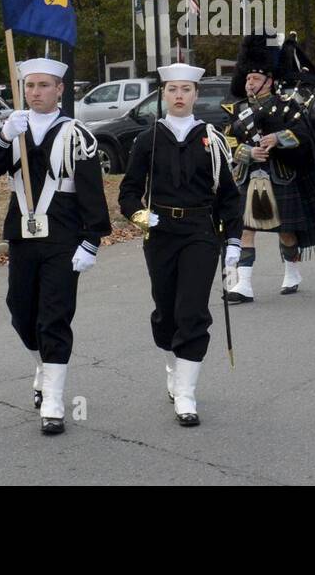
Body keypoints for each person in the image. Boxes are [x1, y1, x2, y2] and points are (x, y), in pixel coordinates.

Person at [0, 57, 111, 435]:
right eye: (30, 86)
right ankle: (42, 364)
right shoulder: (14, 129)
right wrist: (2, 138)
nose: (36, 92)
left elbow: (92, 194)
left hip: (63, 238)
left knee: (54, 315)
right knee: (20, 311)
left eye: (44, 85)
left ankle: (53, 399)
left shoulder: (76, 134)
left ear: (60, 90)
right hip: (23, 235)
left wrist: (91, 240)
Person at [118, 63, 242, 426]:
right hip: (159, 233)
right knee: (166, 310)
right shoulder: (147, 140)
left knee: (192, 310)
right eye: (172, 90)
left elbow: (229, 197)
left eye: (186, 90)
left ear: (196, 95)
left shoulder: (213, 139)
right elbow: (128, 193)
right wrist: (141, 217)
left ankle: (186, 394)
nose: (178, 96)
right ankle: (173, 364)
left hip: (200, 232)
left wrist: (234, 242)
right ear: (163, 95)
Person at [222, 33, 315, 303]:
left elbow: (303, 136)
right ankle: (244, 285)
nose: (248, 82)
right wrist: (248, 151)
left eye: (254, 78)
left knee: (285, 231)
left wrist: (277, 139)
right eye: (247, 78)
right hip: (248, 176)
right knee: (244, 230)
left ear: (269, 80)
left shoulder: (288, 107)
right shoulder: (236, 109)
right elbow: (226, 140)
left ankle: (292, 271)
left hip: (280, 175)